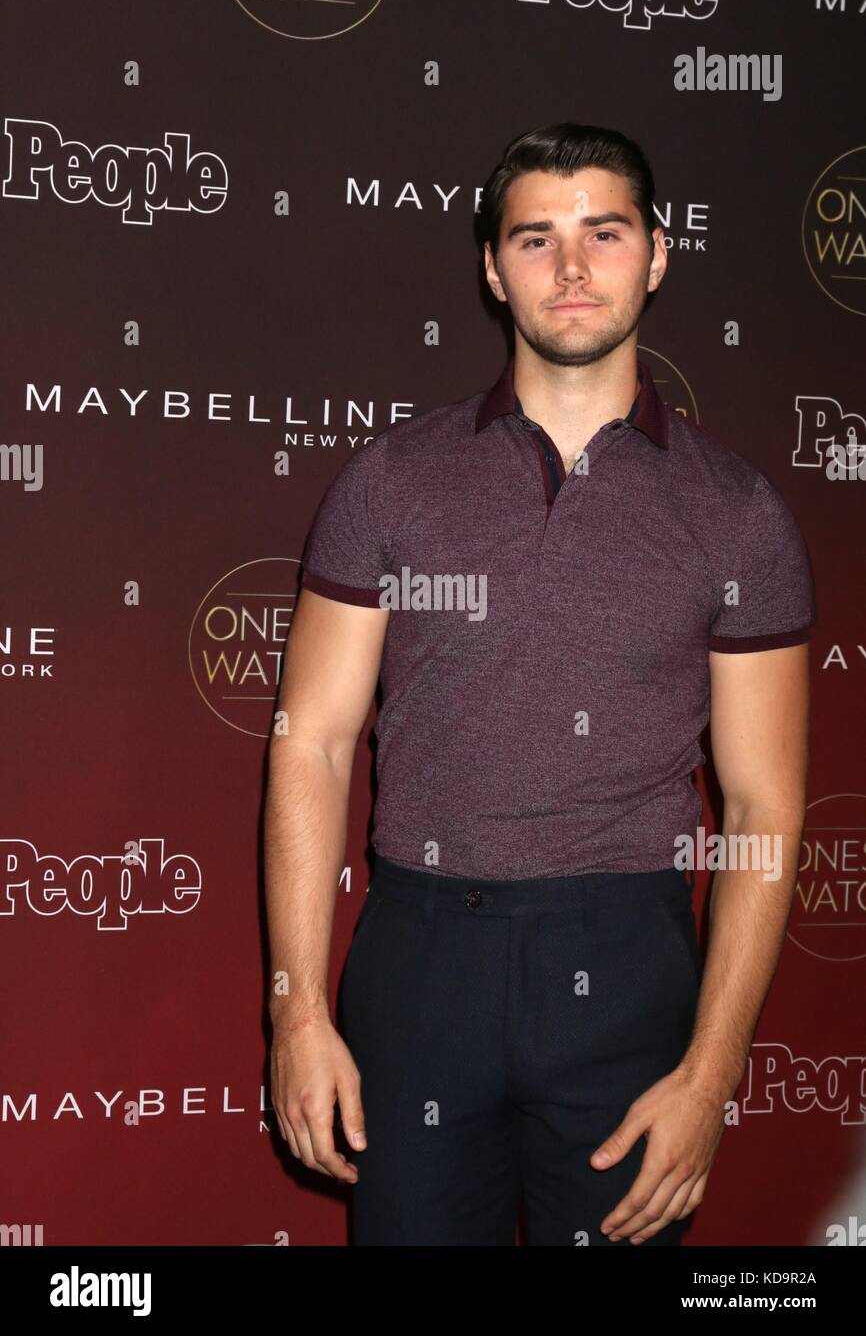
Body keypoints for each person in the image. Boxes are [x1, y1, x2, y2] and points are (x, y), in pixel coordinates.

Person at [264, 123, 815, 1246]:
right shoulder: (390, 480)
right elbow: (311, 741)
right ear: (490, 268)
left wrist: (709, 1074)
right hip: (419, 965)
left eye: (602, 233)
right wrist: (298, 1012)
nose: (570, 269)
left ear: (656, 255)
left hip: (625, 968)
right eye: (534, 238)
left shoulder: (737, 513)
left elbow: (761, 809)